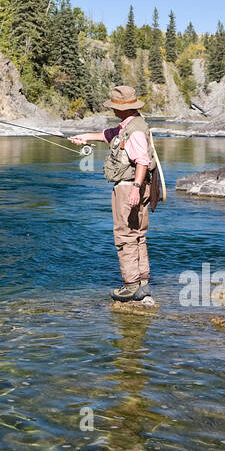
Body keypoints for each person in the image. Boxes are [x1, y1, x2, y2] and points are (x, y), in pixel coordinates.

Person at [69, 85, 158, 301]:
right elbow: (107, 135)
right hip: (138, 185)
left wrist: (135, 189)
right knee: (137, 234)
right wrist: (84, 137)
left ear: (124, 108)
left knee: (124, 235)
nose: (113, 110)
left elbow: (142, 162)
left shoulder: (134, 130)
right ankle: (142, 282)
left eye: (115, 106)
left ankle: (130, 285)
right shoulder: (131, 124)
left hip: (130, 187)